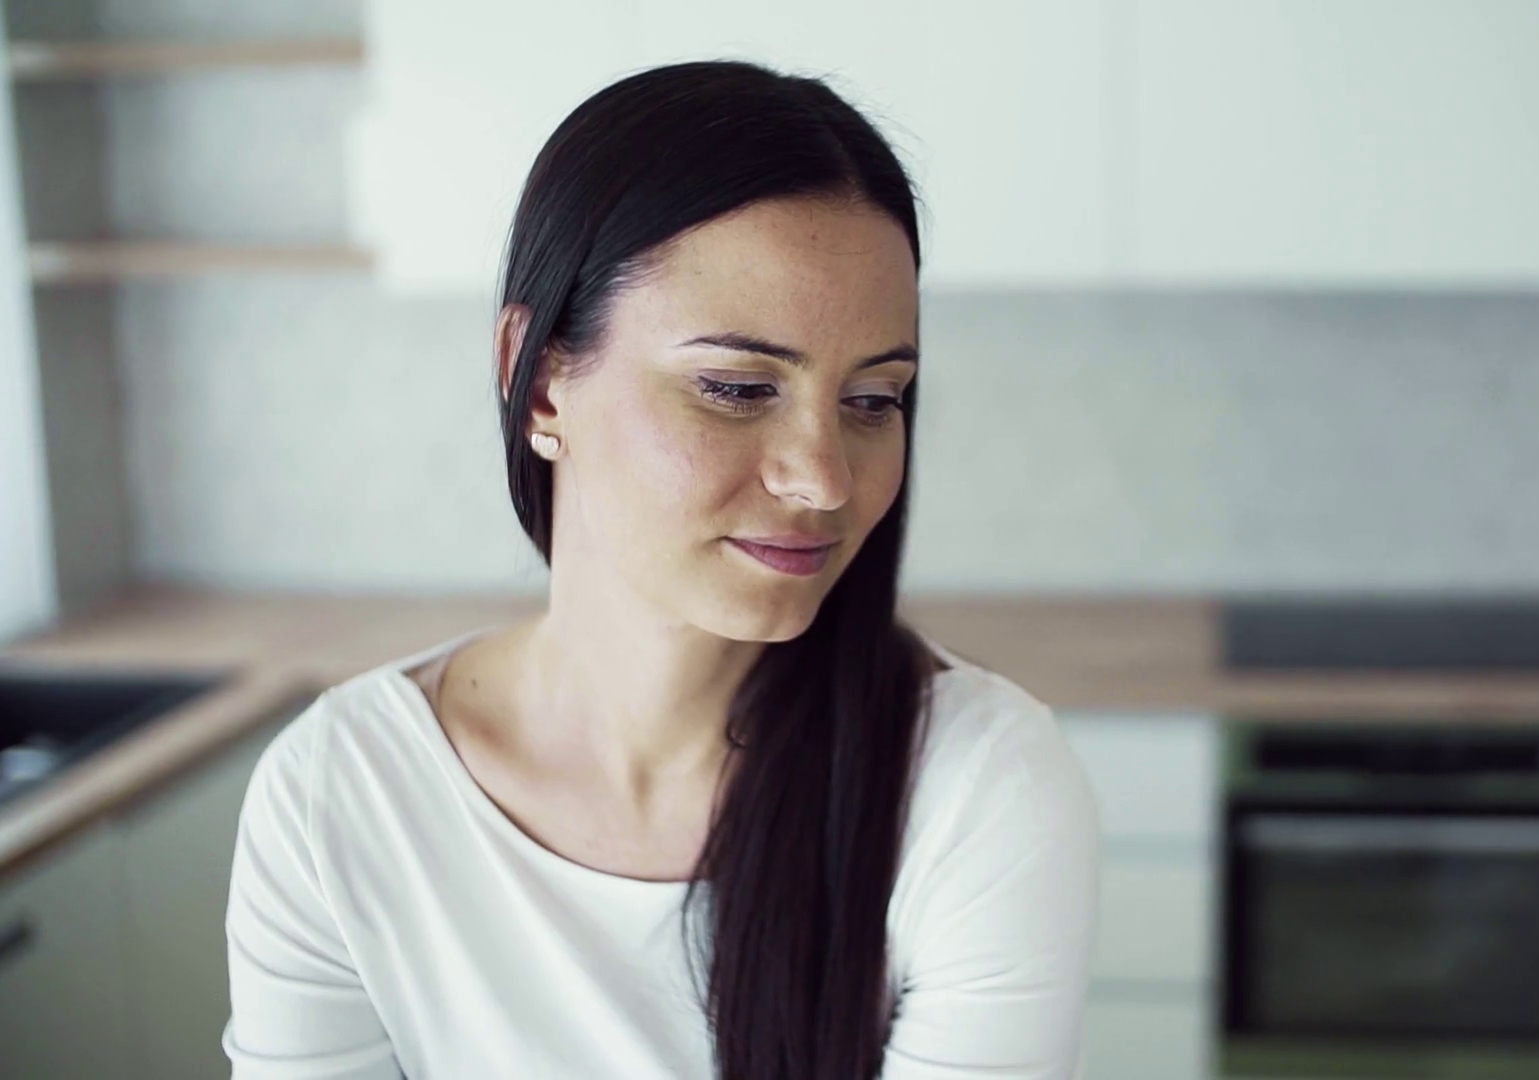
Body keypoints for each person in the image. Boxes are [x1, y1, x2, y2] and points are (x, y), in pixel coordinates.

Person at [219, 59, 1101, 1079]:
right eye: (735, 386)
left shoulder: (977, 791)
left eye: (874, 400)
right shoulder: (339, 797)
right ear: (538, 378)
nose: (823, 479)